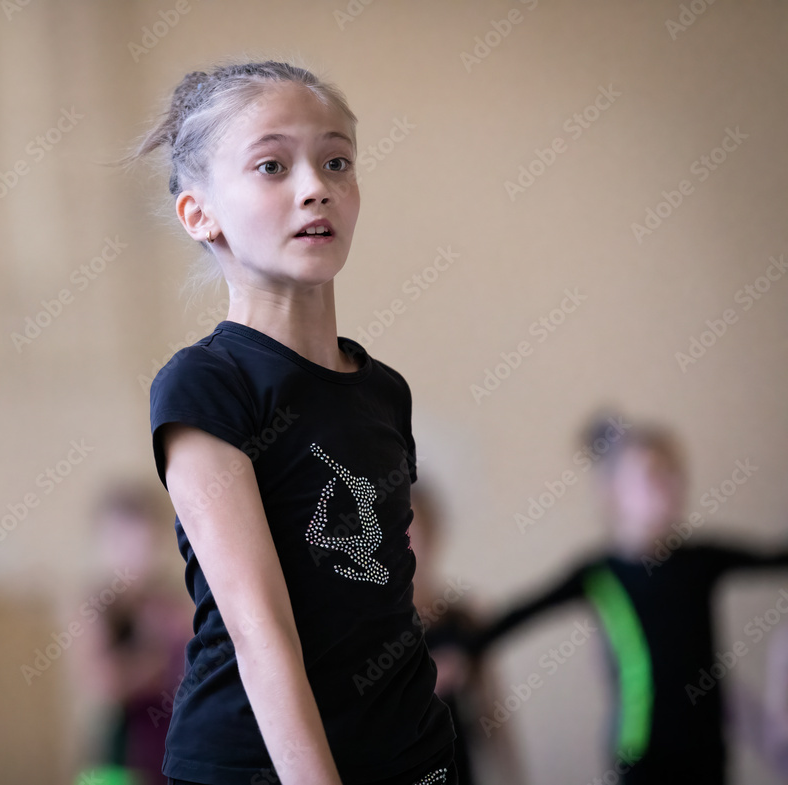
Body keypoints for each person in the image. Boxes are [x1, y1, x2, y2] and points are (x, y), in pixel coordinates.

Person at [122, 59, 456, 785]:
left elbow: (384, 598)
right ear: (199, 213)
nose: (316, 187)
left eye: (337, 162)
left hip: (412, 757)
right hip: (261, 763)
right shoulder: (206, 384)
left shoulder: (383, 390)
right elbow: (260, 632)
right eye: (272, 166)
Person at [463, 416, 788, 785]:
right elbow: (518, 616)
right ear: (615, 493)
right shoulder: (600, 575)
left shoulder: (702, 560)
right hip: (642, 753)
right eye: (653, 476)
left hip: (708, 750)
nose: (669, 486)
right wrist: (460, 648)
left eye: (674, 474)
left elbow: (775, 558)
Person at [408, 478, 524, 785]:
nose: (408, 542)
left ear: (433, 533)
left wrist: (513, 775)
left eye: (415, 529)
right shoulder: (376, 634)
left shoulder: (462, 619)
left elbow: (492, 710)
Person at [75, 482, 191, 785]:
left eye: (143, 546)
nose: (134, 558)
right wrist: (157, 652)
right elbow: (104, 684)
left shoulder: (171, 601)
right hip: (122, 753)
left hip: (170, 748)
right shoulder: (100, 606)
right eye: (122, 545)